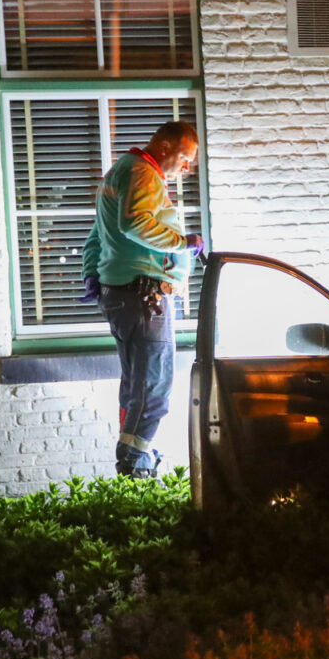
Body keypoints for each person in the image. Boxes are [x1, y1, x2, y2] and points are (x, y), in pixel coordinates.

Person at [80, 121, 205, 478]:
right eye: (185, 158)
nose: (186, 168)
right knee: (154, 382)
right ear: (165, 147)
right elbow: (133, 224)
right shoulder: (142, 173)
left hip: (125, 294)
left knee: (137, 381)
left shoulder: (119, 171)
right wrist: (185, 244)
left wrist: (93, 274)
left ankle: (136, 452)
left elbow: (97, 234)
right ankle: (134, 461)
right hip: (143, 295)